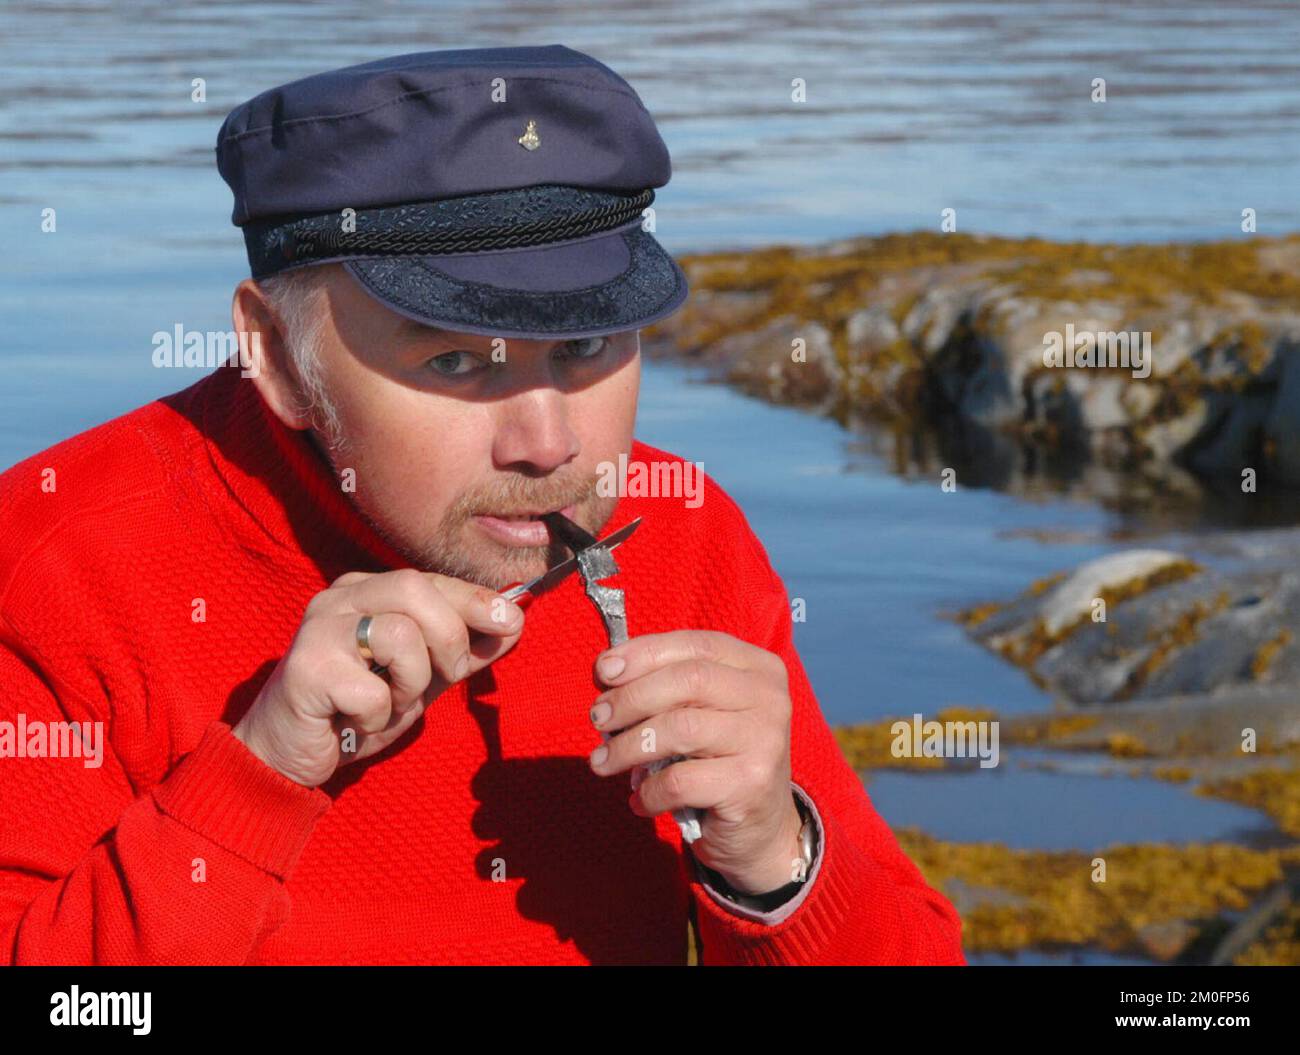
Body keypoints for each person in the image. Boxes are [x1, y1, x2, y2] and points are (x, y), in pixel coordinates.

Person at [0, 44, 965, 965]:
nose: (550, 445)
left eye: (587, 346)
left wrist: (776, 863)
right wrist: (256, 776)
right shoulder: (51, 563)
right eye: (456, 358)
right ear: (279, 357)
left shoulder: (680, 532)